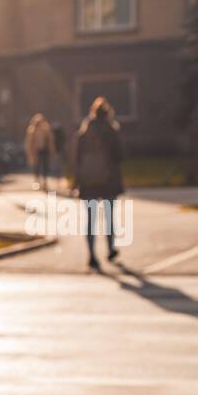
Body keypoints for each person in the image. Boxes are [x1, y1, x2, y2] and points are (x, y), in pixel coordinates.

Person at [73, 97, 125, 271]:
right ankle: (110, 249)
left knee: (91, 219)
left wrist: (76, 180)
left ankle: (91, 255)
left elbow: (77, 159)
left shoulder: (84, 133)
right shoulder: (111, 130)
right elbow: (119, 156)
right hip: (108, 180)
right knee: (109, 217)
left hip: (88, 181)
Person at [24, 113, 55, 191]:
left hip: (44, 150)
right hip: (36, 151)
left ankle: (44, 182)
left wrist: (52, 150)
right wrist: (29, 152)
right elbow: (29, 142)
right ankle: (37, 181)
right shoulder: (32, 130)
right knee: (36, 166)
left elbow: (50, 141)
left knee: (45, 166)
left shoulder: (46, 129)